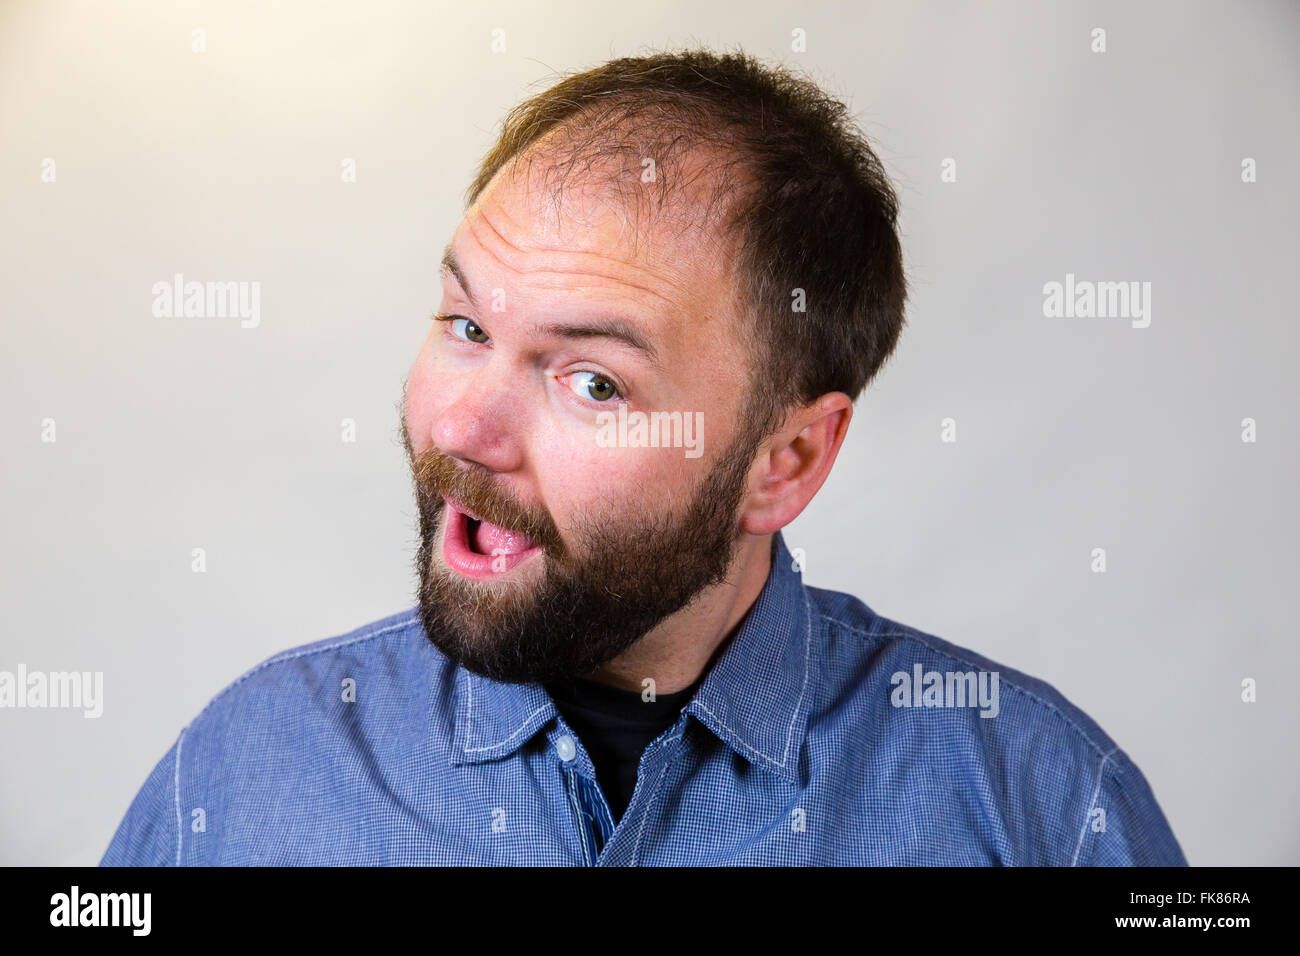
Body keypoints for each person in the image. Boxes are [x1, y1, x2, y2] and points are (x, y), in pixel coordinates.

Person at [102, 48, 1186, 866]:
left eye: (592, 381)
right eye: (467, 327)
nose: (464, 431)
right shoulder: (244, 772)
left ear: (789, 459)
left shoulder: (1039, 802)